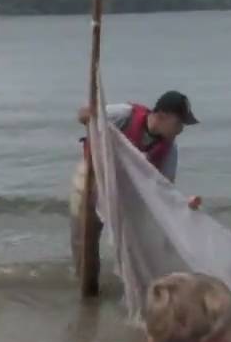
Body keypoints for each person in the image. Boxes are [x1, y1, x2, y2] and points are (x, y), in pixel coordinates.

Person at [70, 91, 202, 279]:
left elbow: (165, 188)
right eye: (178, 123)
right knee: (84, 245)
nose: (180, 130)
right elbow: (83, 115)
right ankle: (88, 293)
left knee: (134, 248)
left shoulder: (169, 149)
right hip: (92, 179)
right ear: (162, 116)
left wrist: (185, 203)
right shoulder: (125, 114)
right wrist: (92, 117)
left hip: (124, 192)